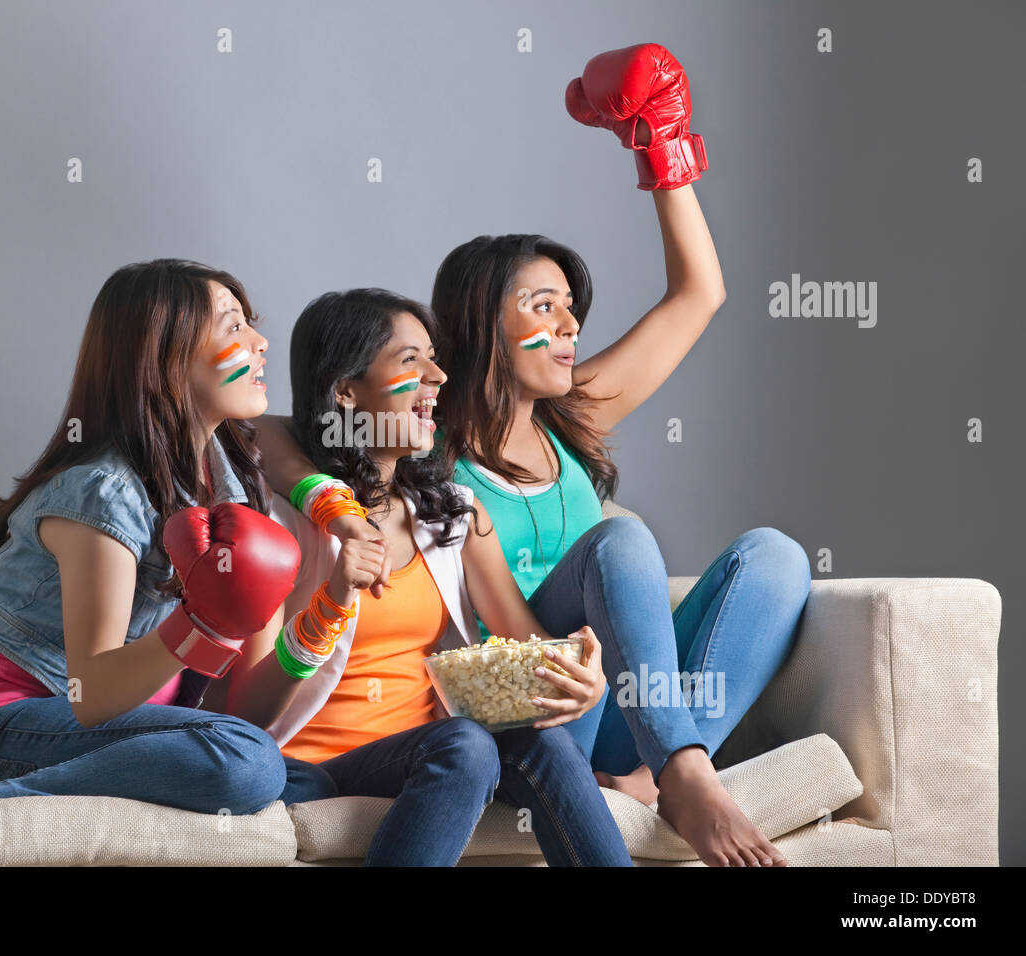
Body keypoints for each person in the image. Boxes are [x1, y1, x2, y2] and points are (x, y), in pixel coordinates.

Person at [253, 45, 810, 866]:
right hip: (530, 708)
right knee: (619, 543)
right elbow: (266, 430)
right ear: (482, 324)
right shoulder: (426, 448)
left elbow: (701, 294)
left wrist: (661, 145)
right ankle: (684, 776)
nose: (570, 327)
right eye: (542, 307)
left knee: (775, 557)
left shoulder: (571, 415)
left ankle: (661, 781)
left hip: (614, 701)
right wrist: (324, 501)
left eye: (572, 307)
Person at [215, 287, 632, 867]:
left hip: (423, 756)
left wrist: (580, 679)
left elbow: (528, 643)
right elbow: (243, 716)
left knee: (539, 741)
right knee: (465, 742)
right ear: (346, 390)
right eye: (411, 361)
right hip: (303, 768)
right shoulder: (276, 522)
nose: (438, 376)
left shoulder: (453, 514)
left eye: (434, 358)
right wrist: (330, 603)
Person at [0, 258, 305, 815]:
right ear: (165, 356)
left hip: (129, 736)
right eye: (233, 325)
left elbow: (239, 708)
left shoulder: (234, 490)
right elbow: (93, 695)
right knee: (250, 761)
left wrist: (320, 619)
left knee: (292, 776)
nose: (260, 340)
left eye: (250, 322)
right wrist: (202, 624)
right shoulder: (102, 491)